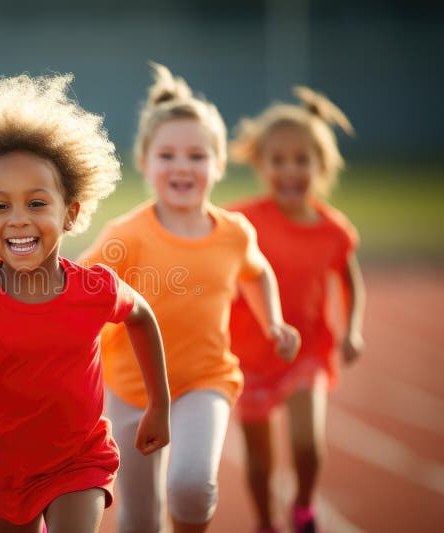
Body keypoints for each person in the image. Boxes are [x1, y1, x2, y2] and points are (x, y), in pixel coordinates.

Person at [0, 73, 171, 533]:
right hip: (4, 467)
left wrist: (159, 405)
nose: (19, 220)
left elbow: (142, 318)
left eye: (37, 203)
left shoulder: (96, 289)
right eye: (1, 206)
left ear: (70, 211)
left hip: (79, 460)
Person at [79, 63, 300, 533]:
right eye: (168, 155)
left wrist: (273, 323)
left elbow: (258, 274)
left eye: (197, 156)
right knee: (138, 516)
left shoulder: (235, 233)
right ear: (145, 161)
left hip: (206, 381)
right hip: (131, 388)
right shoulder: (127, 235)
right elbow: (81, 286)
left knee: (193, 487)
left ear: (218, 165)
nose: (182, 166)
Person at [228, 86, 364, 533]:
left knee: (308, 444)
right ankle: (265, 522)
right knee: (261, 460)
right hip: (249, 354)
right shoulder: (241, 222)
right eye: (279, 160)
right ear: (261, 164)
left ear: (321, 166)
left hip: (308, 350)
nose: (290, 170)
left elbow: (349, 280)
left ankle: (304, 507)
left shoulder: (334, 231)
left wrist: (352, 331)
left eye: (302, 160)